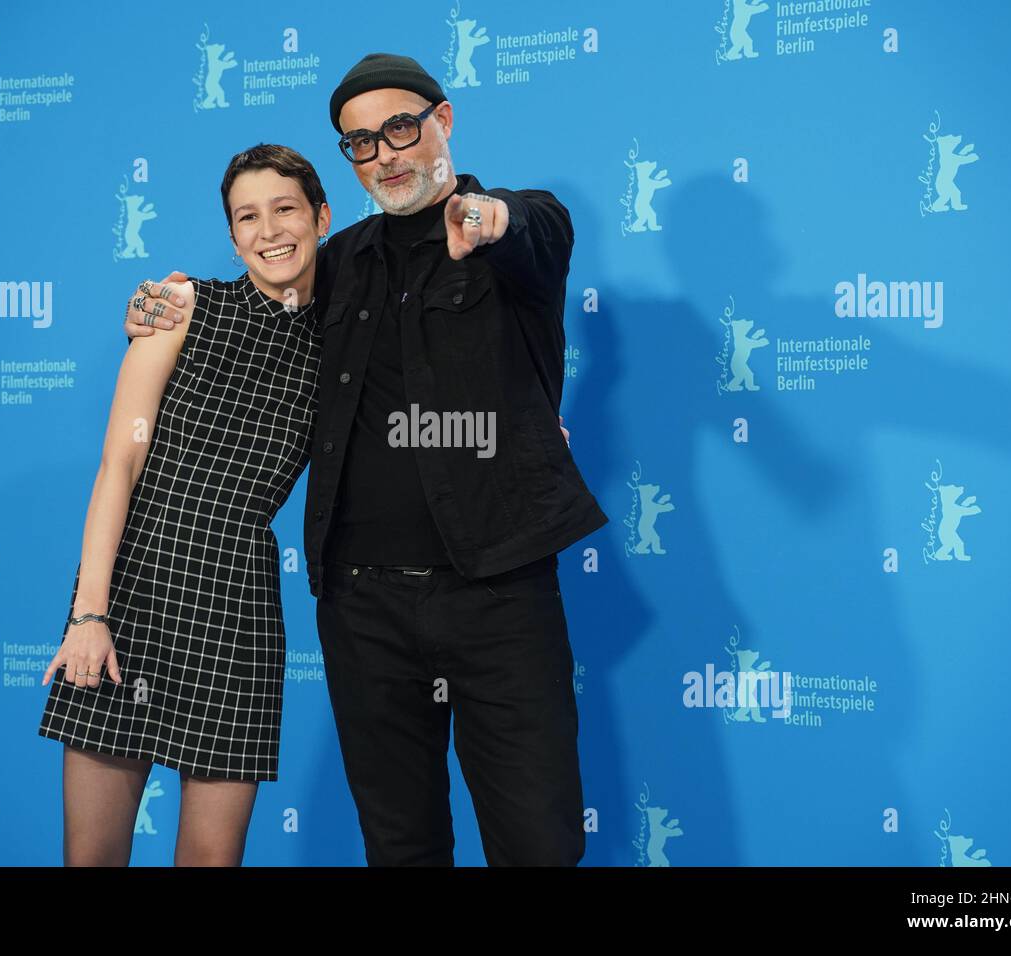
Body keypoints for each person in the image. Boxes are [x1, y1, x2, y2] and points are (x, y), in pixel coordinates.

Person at [125, 53, 607, 866]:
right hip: (362, 610)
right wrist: (164, 304)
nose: (383, 153)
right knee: (398, 845)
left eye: (399, 128)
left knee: (537, 841)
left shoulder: (517, 232)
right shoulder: (338, 260)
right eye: (359, 143)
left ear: (441, 121)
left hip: (498, 598)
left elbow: (534, 226)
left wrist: (488, 220)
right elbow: (257, 292)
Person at [37, 144, 331, 866]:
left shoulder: (347, 345)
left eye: (286, 209)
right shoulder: (179, 308)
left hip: (238, 605)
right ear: (232, 236)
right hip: (132, 590)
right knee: (92, 857)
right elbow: (119, 465)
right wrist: (89, 614)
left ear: (322, 217)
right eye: (248, 216)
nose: (270, 231)